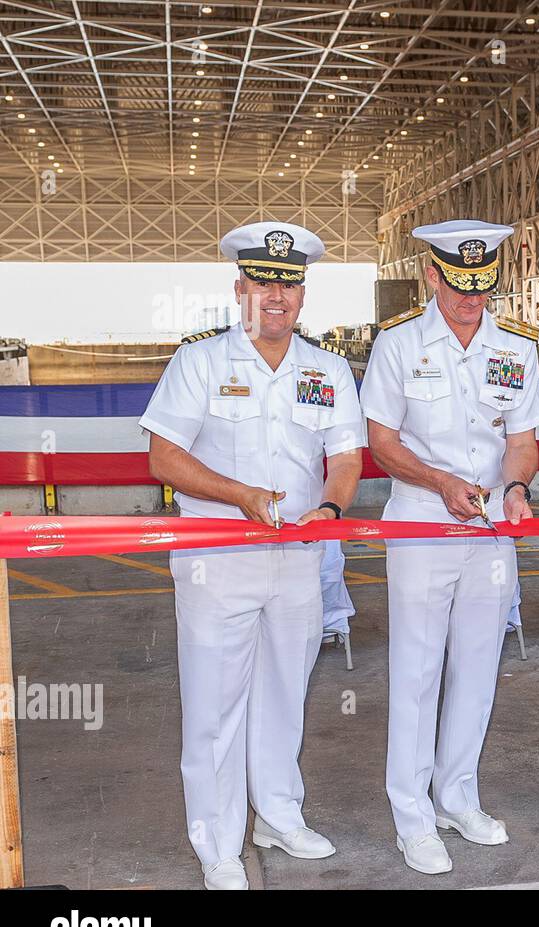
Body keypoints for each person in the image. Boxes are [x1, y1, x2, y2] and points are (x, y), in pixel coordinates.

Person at [141, 221, 364, 889]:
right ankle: (216, 842)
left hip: (298, 556)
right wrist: (237, 494)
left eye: (289, 283)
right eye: (265, 281)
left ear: (302, 295)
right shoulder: (200, 362)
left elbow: (347, 455)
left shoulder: (325, 368)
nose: (277, 294)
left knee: (284, 694)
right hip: (217, 558)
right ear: (240, 287)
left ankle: (278, 815)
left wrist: (331, 507)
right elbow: (164, 456)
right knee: (213, 705)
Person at [361, 219, 539, 876]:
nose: (472, 300)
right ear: (432, 275)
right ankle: (411, 814)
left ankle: (458, 795)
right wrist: (439, 481)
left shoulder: (515, 347)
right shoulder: (398, 344)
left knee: (476, 666)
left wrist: (518, 487)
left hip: (492, 527)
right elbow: (382, 443)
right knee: (416, 672)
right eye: (460, 286)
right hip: (420, 521)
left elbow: (522, 440)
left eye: (483, 287)